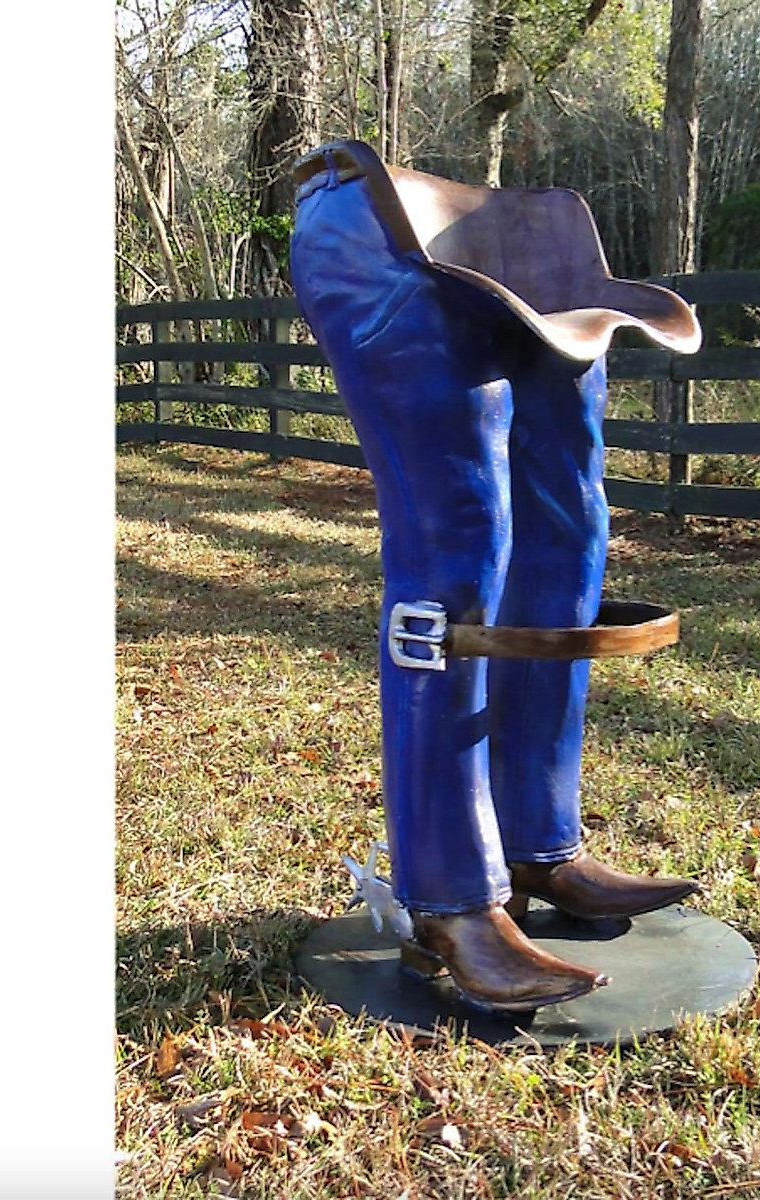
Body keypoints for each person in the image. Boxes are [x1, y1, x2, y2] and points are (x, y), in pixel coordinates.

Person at [289, 140, 703, 1013]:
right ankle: (452, 901)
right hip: (370, 235)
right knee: (457, 540)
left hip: (520, 261)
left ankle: (537, 846)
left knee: (570, 526)